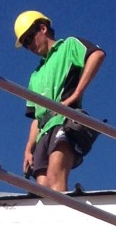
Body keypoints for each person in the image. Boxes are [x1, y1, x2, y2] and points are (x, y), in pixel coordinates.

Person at [14, 10, 106, 192]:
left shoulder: (68, 46)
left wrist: (76, 93)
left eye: (29, 38)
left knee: (56, 177)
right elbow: (36, 117)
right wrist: (28, 148)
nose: (29, 45)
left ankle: (63, 216)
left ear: (42, 28)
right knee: (43, 188)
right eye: (24, 44)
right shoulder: (35, 75)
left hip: (64, 121)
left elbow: (96, 55)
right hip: (43, 131)